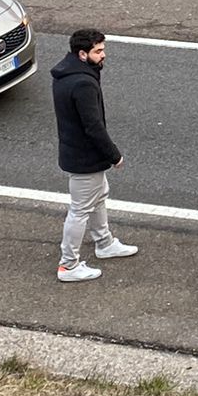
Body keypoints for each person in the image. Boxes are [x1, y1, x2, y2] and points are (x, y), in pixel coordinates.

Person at [51, 27, 138, 283]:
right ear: (82, 54)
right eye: (98, 51)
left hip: (77, 152)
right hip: (85, 158)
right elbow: (93, 126)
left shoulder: (68, 73)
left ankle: (104, 242)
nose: (103, 55)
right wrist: (114, 155)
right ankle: (68, 265)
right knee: (80, 210)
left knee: (99, 197)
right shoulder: (83, 83)